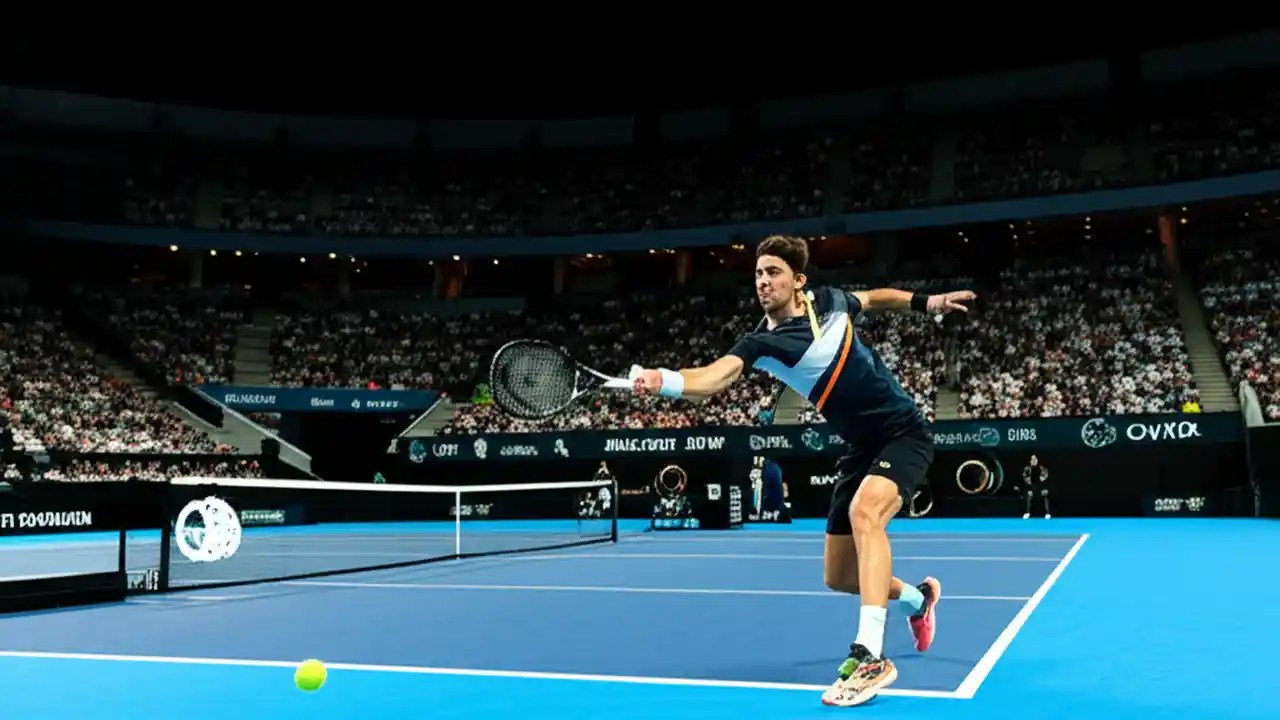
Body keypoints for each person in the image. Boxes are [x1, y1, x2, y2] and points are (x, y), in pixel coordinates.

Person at [631, 235, 975, 707]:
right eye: (758, 273)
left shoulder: (831, 302)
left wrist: (926, 302)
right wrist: (664, 379)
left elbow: (875, 298)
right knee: (839, 576)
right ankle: (919, 599)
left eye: (773, 272)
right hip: (860, 447)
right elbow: (715, 376)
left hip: (903, 432)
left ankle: (869, 656)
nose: (763, 281)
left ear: (798, 281)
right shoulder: (764, 342)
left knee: (865, 513)